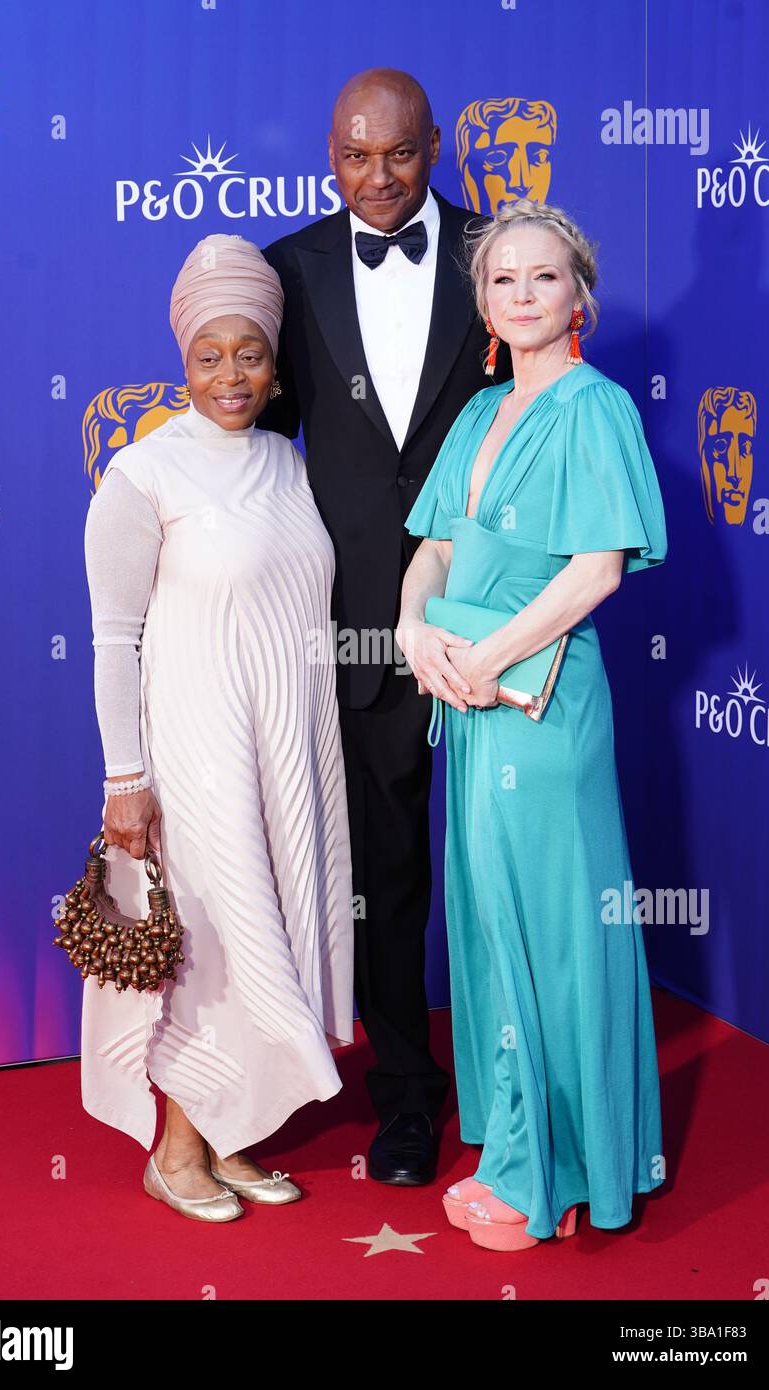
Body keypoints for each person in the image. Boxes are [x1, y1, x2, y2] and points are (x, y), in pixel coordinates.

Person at [397, 198, 667, 1248]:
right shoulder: (477, 412)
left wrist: (481, 655)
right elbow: (433, 548)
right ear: (482, 302)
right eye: (502, 279)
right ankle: (522, 1143)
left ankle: (551, 1170)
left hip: (541, 703)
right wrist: (412, 629)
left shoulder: (594, 409)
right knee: (489, 918)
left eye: (542, 277)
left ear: (578, 295)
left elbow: (595, 570)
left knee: (554, 928)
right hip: (466, 693)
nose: (521, 294)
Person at [258, 67, 512, 1186]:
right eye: (353, 155)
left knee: (507, 869)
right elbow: (253, 437)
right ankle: (404, 1099)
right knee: (390, 877)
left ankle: (527, 1094)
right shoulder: (288, 269)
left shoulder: (496, 256)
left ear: (436, 147)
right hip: (359, 631)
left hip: (501, 614)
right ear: (328, 150)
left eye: (397, 154)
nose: (375, 178)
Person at [80, 233, 354, 1222]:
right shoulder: (143, 475)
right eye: (209, 355)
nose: (230, 374)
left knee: (270, 924)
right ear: (182, 360)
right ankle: (175, 1148)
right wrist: (125, 778)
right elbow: (114, 640)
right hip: (195, 751)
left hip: (289, 741)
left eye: (249, 353)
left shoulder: (288, 464)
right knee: (214, 937)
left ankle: (233, 1135)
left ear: (275, 363)